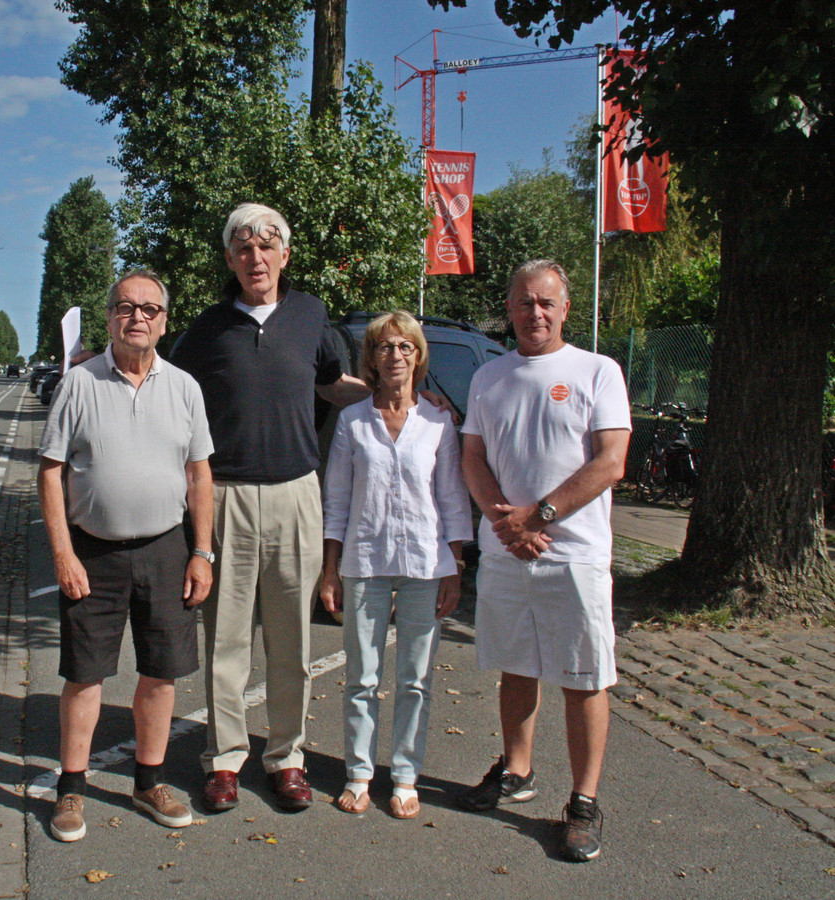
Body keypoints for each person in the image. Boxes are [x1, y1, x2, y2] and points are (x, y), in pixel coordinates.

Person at [169, 203, 368, 812]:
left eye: (268, 245)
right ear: (230, 259)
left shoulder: (311, 315)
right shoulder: (204, 331)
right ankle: (225, 759)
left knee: (292, 643)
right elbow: (167, 395)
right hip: (224, 496)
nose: (256, 257)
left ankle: (286, 757)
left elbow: (333, 385)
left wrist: (397, 396)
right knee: (226, 640)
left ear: (285, 254)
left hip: (296, 494)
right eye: (244, 247)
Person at [457, 259, 631, 862]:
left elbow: (610, 462)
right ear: (509, 309)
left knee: (584, 677)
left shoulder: (597, 371)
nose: (534, 313)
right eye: (523, 303)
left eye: (545, 303)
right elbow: (473, 460)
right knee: (515, 665)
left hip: (573, 555)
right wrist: (506, 523)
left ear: (565, 308)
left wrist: (541, 515)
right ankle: (518, 770)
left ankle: (583, 801)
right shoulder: (491, 377)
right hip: (508, 551)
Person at [37, 270, 215, 842]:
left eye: (149, 309)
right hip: (93, 552)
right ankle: (70, 790)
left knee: (160, 674)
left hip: (167, 549)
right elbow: (51, 472)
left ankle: (149, 781)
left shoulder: (185, 387)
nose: (136, 317)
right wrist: (63, 554)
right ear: (109, 316)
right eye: (125, 307)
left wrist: (202, 552)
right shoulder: (79, 383)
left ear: (164, 320)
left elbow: (199, 474)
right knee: (84, 676)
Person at [319, 311, 472, 819]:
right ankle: (359, 773)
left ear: (418, 356)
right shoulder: (352, 421)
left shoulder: (437, 422)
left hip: (425, 565)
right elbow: (336, 499)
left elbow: (451, 496)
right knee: (362, 677)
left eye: (406, 347)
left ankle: (405, 776)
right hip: (364, 562)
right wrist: (330, 569)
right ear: (372, 359)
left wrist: (455, 564)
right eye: (386, 347)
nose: (396, 356)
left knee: (414, 677)